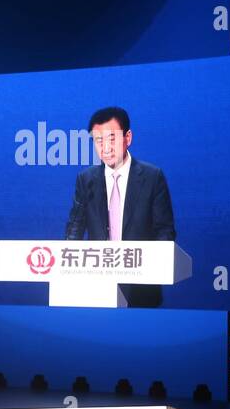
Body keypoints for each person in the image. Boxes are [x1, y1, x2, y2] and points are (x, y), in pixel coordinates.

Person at [63, 106, 176, 307]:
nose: (105, 147)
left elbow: (165, 231)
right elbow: (74, 229)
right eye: (98, 140)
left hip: (141, 289)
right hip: (96, 287)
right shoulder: (86, 179)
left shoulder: (152, 177)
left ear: (128, 137)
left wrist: (152, 262)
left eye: (112, 138)